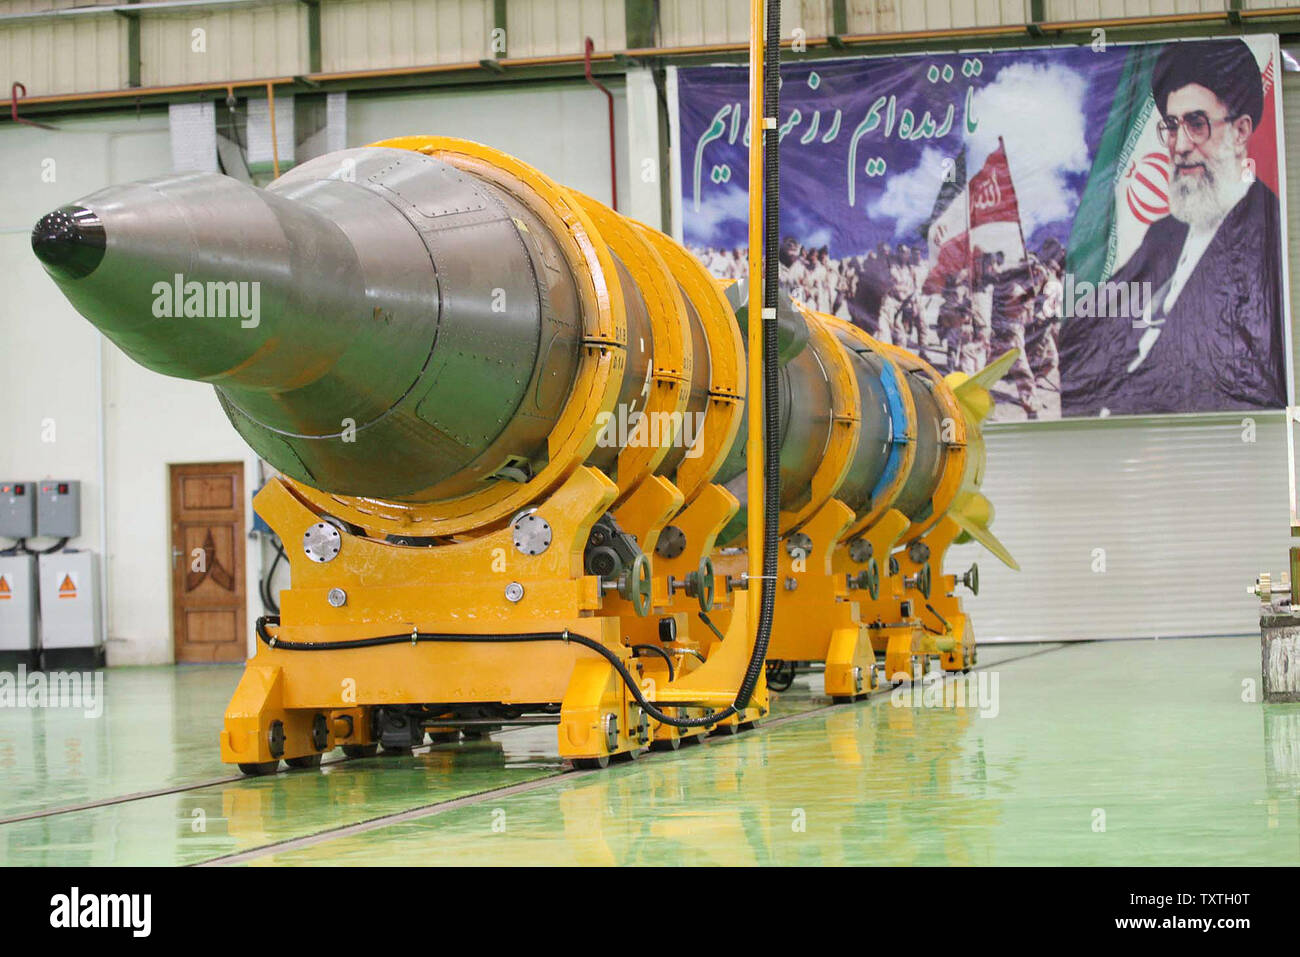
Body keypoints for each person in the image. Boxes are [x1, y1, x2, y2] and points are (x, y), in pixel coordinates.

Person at [1059, 37, 1285, 415]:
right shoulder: (1166, 232)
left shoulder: (1267, 235)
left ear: (1241, 131)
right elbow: (1091, 326)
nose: (1179, 146)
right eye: (1171, 126)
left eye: (1196, 124)